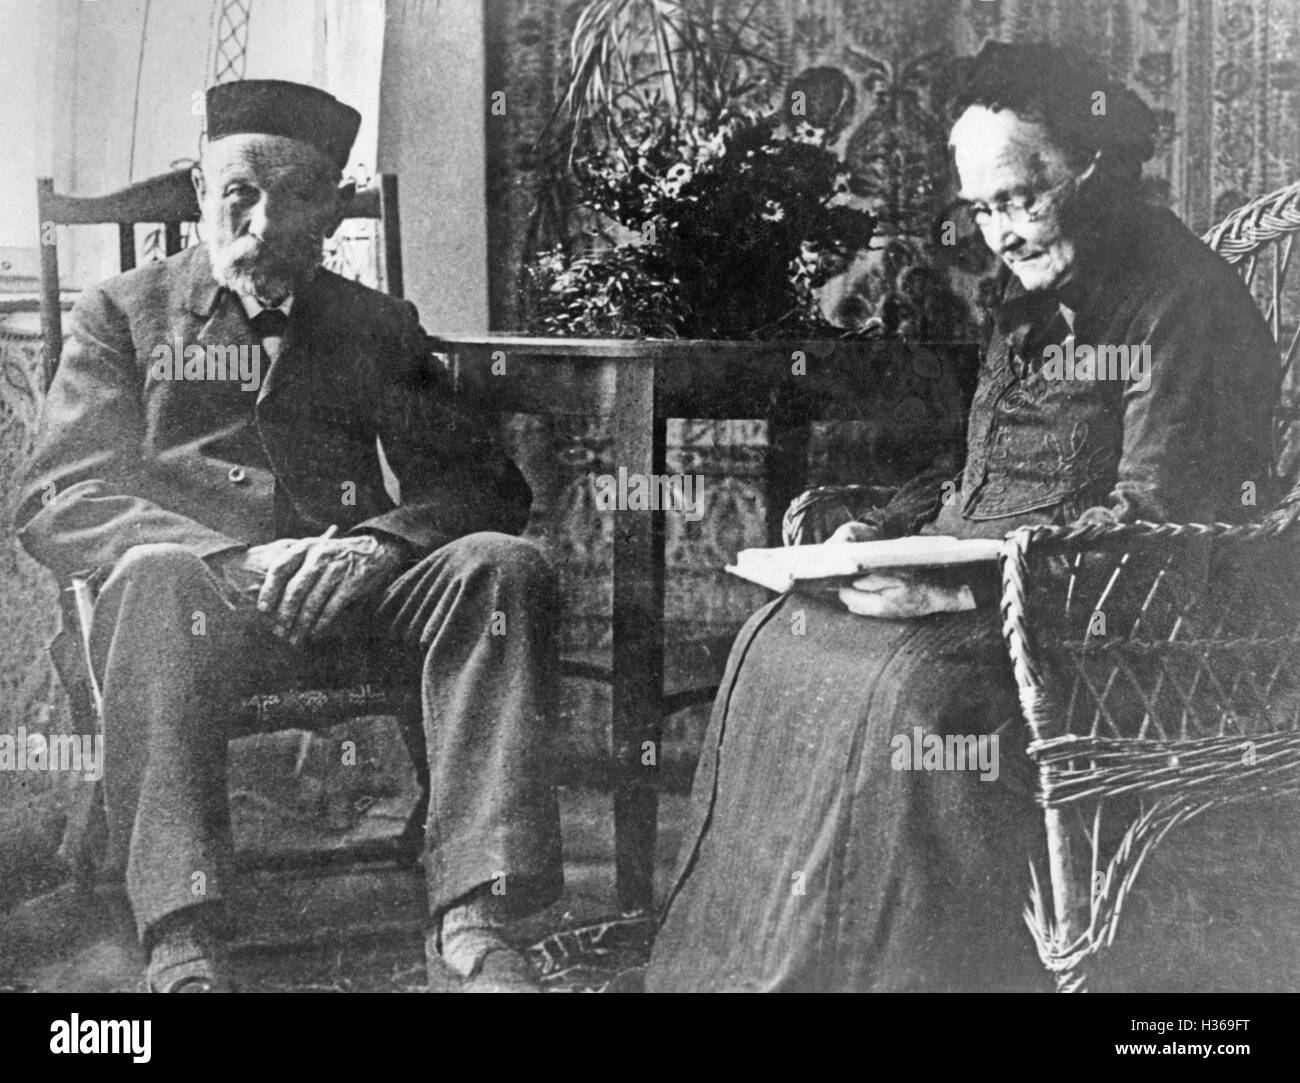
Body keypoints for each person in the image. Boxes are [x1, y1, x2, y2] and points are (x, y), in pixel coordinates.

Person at [646, 42, 1279, 992]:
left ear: (1102, 166)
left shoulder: (1185, 302)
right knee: (776, 639)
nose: (1003, 234)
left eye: (1024, 197)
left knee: (916, 696)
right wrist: (883, 529)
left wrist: (955, 582)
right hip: (994, 587)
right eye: (984, 210)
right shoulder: (1034, 302)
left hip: (1098, 625)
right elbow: (980, 471)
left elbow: (1159, 522)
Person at [16, 80, 562, 993]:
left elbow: (483, 482)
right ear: (201, 192)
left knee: (503, 567)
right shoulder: (121, 313)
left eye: (301, 195)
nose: (266, 223)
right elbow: (59, 495)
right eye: (240, 193)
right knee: (151, 571)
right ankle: (182, 933)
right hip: (195, 612)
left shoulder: (374, 324)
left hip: (346, 594)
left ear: (336, 208)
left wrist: (377, 546)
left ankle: (477, 913)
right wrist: (234, 556)